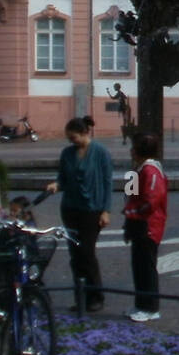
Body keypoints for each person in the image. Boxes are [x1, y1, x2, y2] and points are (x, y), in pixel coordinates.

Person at [45, 117, 112, 312]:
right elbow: (63, 178)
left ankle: (96, 295)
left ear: (84, 133)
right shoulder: (67, 153)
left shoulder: (100, 153)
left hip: (92, 210)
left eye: (73, 138)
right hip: (70, 208)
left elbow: (108, 183)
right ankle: (80, 296)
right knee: (75, 255)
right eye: (69, 139)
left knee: (87, 253)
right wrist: (56, 185)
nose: (71, 142)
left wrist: (106, 210)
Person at [123, 133, 168, 322]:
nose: (131, 151)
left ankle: (150, 307)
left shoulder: (150, 171)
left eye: (134, 148)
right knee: (138, 266)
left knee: (147, 268)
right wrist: (128, 218)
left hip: (148, 225)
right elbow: (129, 195)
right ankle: (141, 304)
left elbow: (152, 201)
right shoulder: (138, 169)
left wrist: (132, 213)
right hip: (137, 223)